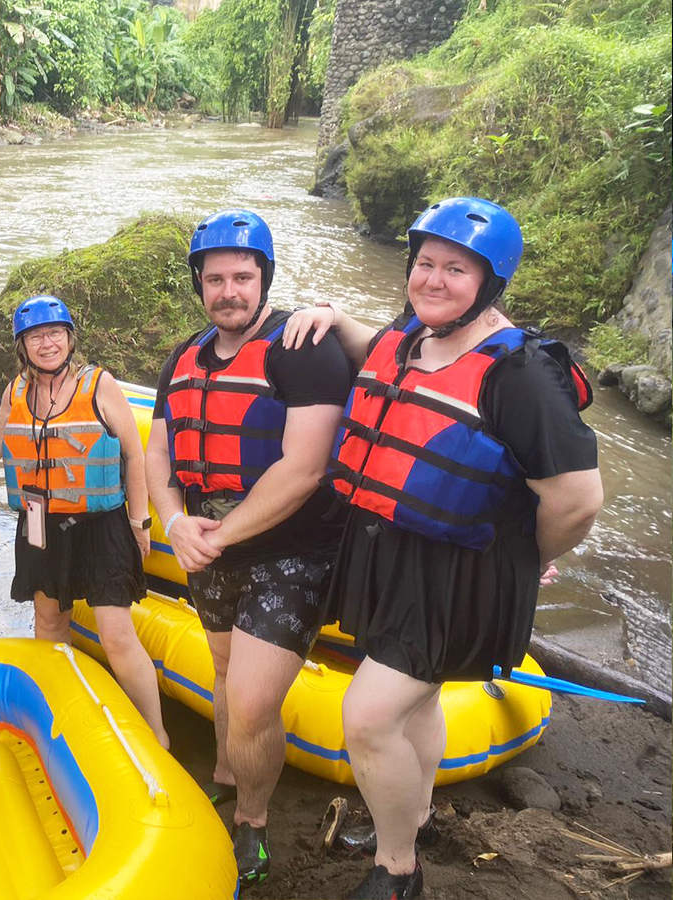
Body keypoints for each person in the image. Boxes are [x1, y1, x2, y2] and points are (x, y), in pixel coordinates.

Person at [282, 197, 603, 900]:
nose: (433, 279)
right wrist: (334, 317)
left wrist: (521, 556)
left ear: (489, 285)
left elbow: (579, 500)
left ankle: (398, 869)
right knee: (415, 707)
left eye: (455, 269)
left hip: (461, 574)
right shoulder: (413, 334)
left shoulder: (520, 374)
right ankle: (415, 815)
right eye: (424, 264)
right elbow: (385, 360)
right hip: (392, 551)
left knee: (367, 719)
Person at [144, 209, 353, 889]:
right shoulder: (183, 356)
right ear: (199, 286)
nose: (228, 290)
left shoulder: (303, 347)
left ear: (264, 278)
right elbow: (160, 449)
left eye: (242, 276)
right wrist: (174, 521)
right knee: (224, 670)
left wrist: (216, 535)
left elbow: (305, 466)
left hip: (291, 550)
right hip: (209, 545)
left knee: (256, 701)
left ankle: (253, 826)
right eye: (214, 279)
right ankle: (228, 775)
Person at [0, 295, 168, 746]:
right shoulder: (16, 390)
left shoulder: (99, 384)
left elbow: (134, 454)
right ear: (22, 346)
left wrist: (140, 522)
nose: (47, 343)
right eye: (36, 336)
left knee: (116, 634)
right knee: (49, 621)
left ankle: (157, 735)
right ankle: (60, 717)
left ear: (69, 338)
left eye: (55, 333)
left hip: (101, 525)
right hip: (40, 524)